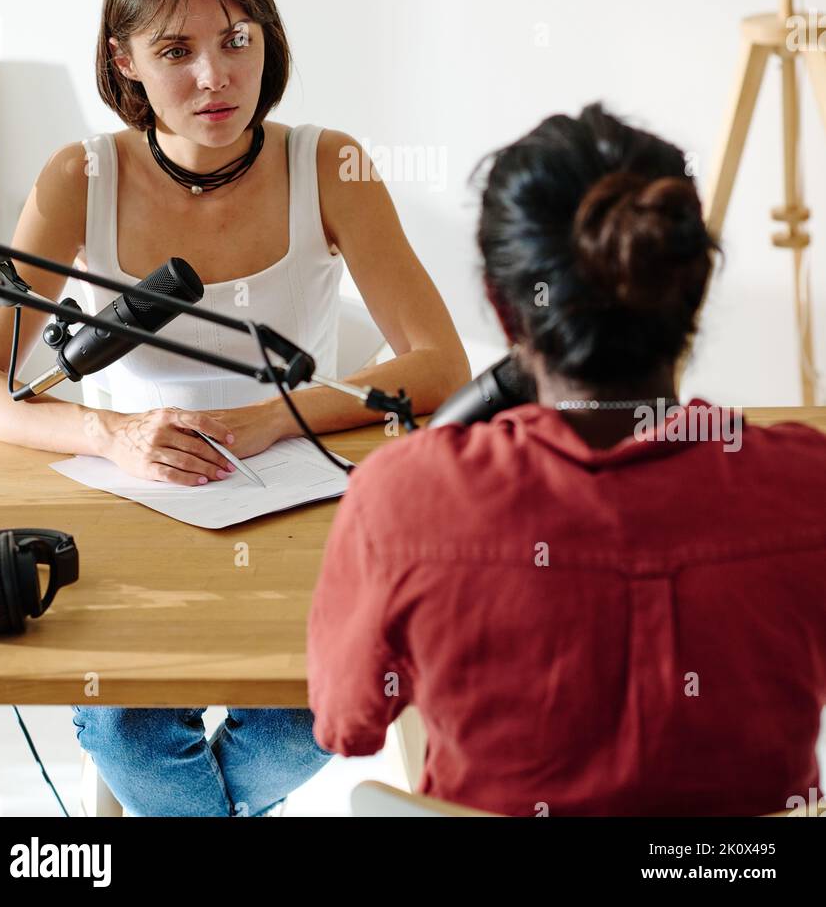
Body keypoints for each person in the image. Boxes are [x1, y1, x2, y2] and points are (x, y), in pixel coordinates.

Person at [0, 0, 470, 816]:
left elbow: (439, 364)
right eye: (176, 50)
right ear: (124, 61)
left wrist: (277, 415)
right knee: (123, 727)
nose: (214, 76)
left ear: (268, 38)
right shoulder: (81, 177)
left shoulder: (331, 165)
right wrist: (109, 433)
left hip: (299, 509)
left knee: (323, 701)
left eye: (237, 40)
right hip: (137, 515)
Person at [307, 101, 826, 817]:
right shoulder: (809, 490)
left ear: (500, 303)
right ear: (695, 291)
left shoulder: (401, 499)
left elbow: (345, 722)